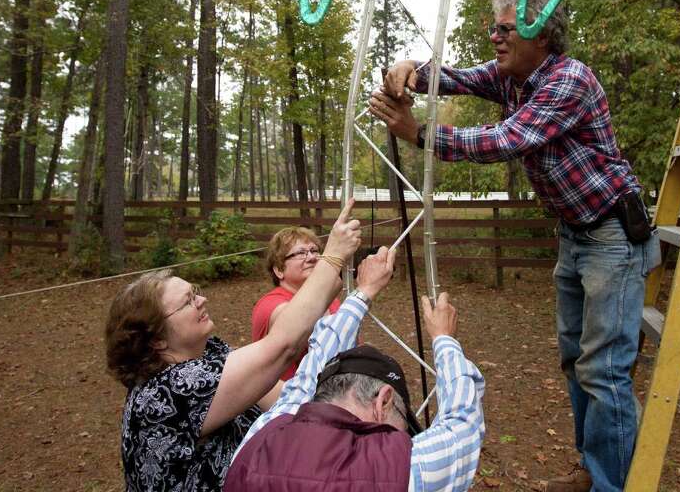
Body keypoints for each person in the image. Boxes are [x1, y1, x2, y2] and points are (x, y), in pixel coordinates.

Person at [368, 0, 660, 492]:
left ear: (542, 35)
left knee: (605, 369)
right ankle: (594, 469)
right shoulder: (512, 77)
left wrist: (420, 133)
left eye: (506, 30)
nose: (496, 38)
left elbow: (505, 140)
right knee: (576, 359)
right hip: (576, 235)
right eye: (494, 29)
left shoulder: (568, 80)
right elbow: (456, 77)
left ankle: (613, 485)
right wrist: (410, 68)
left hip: (612, 234)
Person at [104, 201, 362, 492]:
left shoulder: (210, 351)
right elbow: (282, 347)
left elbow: (283, 395)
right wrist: (333, 256)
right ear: (157, 340)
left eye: (195, 293)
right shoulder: (167, 392)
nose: (202, 301)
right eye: (187, 302)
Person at [224, 246, 485, 492]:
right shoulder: (399, 472)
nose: (403, 437)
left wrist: (365, 290)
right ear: (383, 401)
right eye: (403, 422)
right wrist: (444, 339)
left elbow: (315, 360)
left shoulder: (265, 433)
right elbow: (462, 424)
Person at [252, 227, 341, 380]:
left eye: (314, 250)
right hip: (288, 398)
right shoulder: (271, 305)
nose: (312, 257)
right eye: (300, 253)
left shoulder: (332, 301)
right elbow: (304, 327)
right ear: (279, 270)